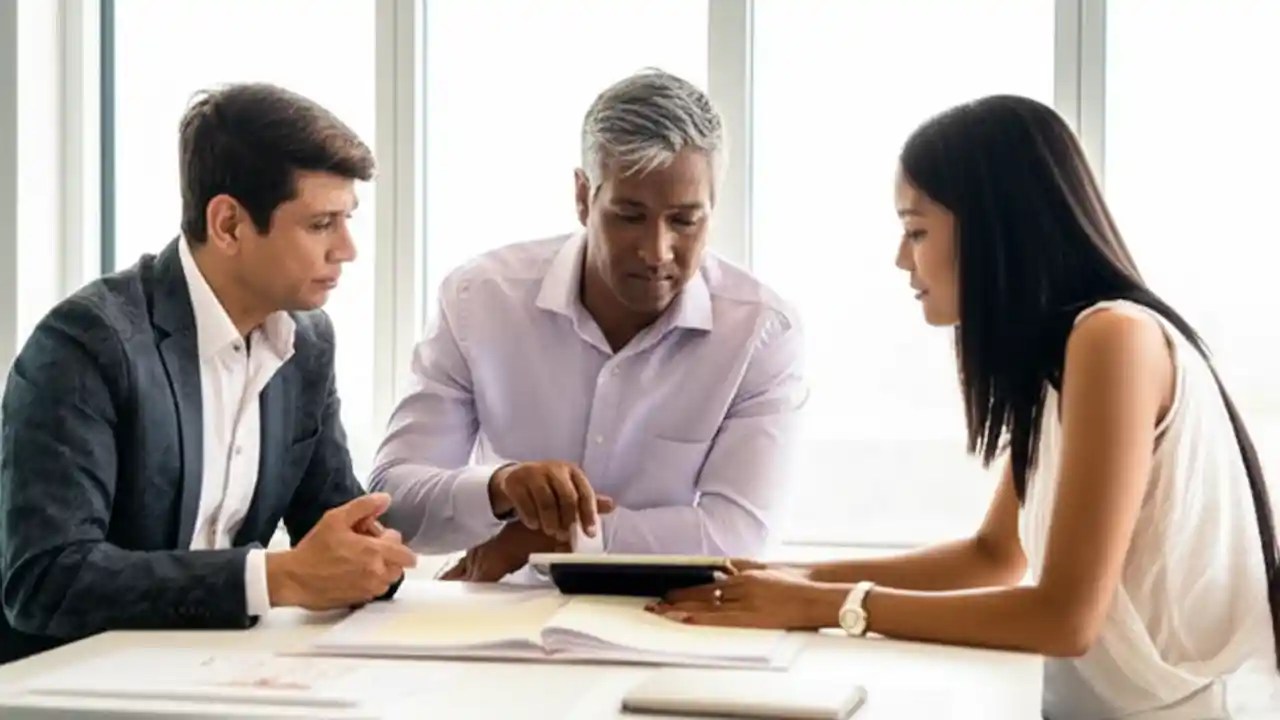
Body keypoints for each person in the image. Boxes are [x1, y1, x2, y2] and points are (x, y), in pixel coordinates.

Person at [650, 95, 1280, 718]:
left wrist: (827, 605)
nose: (903, 259)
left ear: (993, 224)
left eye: (916, 230)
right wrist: (793, 578)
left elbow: (1065, 619)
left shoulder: (1113, 338)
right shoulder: (1059, 361)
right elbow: (993, 556)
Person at [0, 83, 416, 664]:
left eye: (347, 220)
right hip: (67, 686)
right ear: (228, 225)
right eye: (321, 224)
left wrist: (372, 559)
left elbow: (334, 526)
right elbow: (46, 579)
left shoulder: (308, 344)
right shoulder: (86, 344)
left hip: (221, 675)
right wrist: (275, 578)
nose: (346, 249)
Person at [370, 69, 806, 582]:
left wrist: (554, 540)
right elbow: (393, 505)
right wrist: (499, 489)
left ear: (713, 210)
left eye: (685, 221)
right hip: (500, 624)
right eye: (629, 215)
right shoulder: (479, 300)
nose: (657, 251)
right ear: (583, 197)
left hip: (675, 620)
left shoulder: (761, 332)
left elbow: (738, 535)